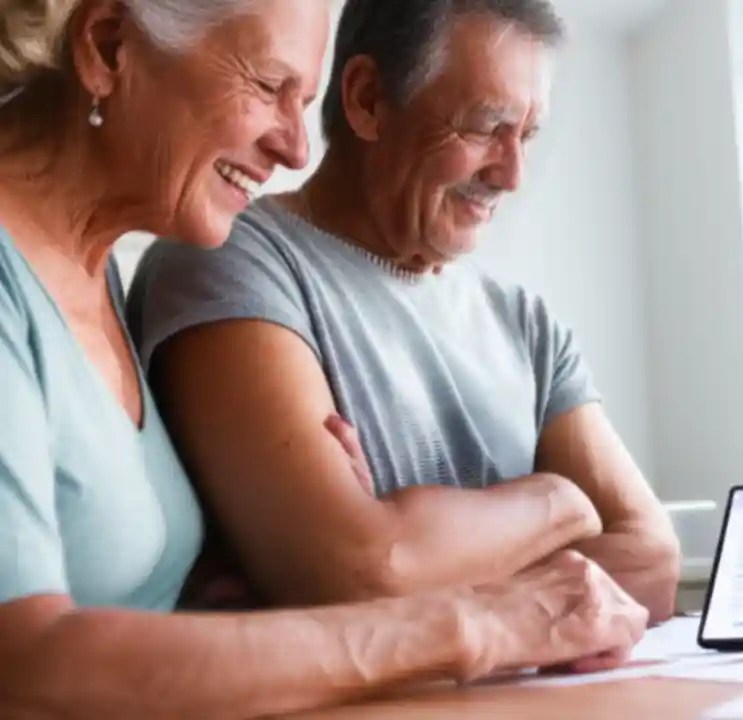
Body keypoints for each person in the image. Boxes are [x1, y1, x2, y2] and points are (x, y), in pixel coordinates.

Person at [0, 1, 647, 716]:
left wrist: (255, 601)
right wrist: (491, 601)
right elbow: (26, 666)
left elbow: (113, 588)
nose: (295, 148)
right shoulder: (133, 268)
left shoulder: (95, 278)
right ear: (110, 46)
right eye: (269, 85)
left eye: (302, 101)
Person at [128, 0, 682, 620]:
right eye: (484, 127)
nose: (512, 174)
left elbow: (653, 565)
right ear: (367, 99)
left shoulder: (529, 326)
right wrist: (557, 504)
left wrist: (419, 548)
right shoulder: (227, 259)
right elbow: (352, 571)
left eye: (525, 136)